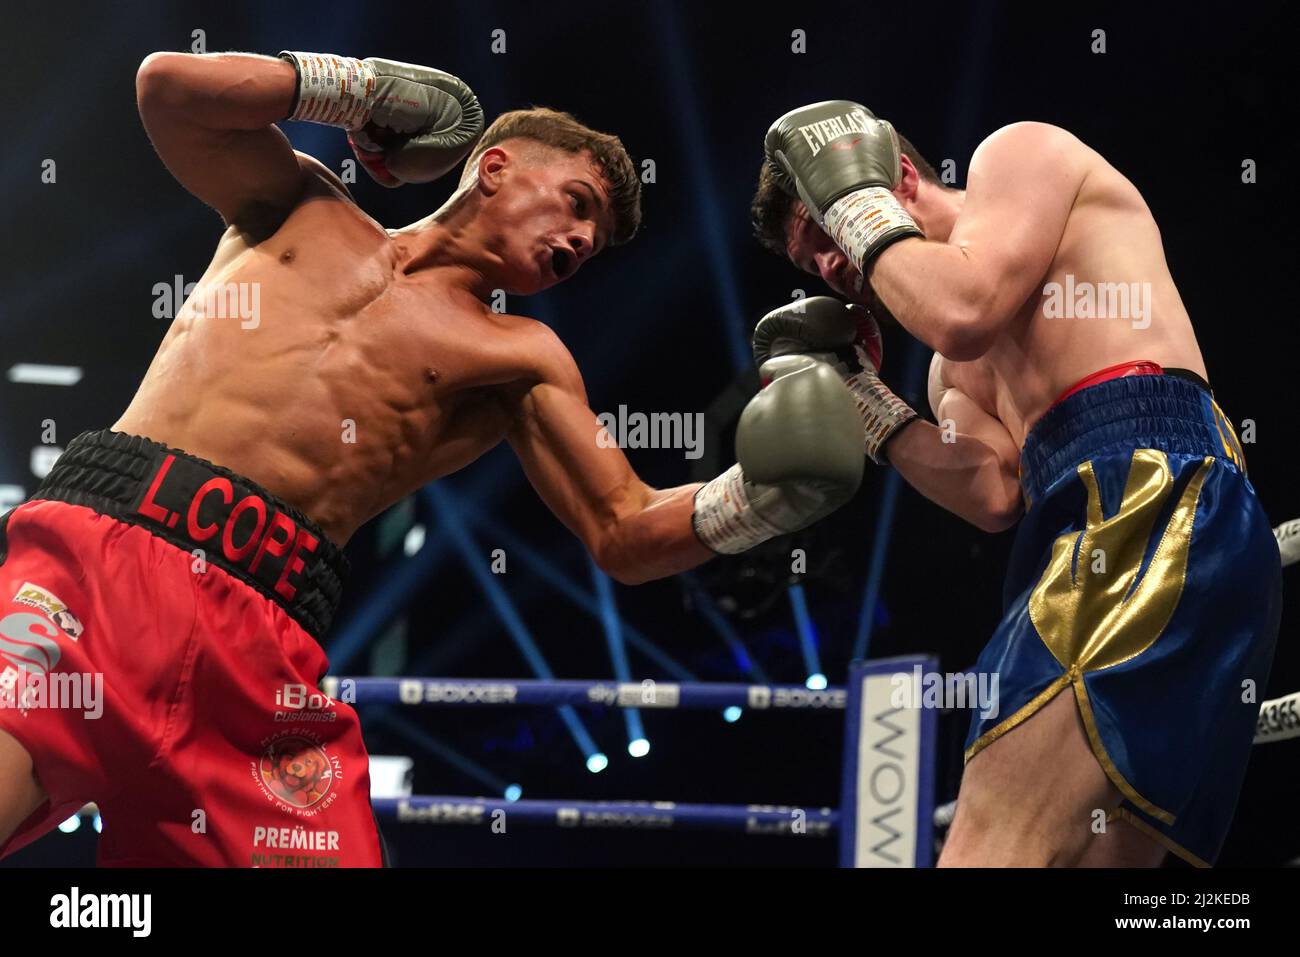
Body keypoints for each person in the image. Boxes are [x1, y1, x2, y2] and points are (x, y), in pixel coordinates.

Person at [0, 54, 863, 866]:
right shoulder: (300, 204)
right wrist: (358, 90)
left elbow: (623, 526)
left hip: (259, 638)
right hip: (97, 562)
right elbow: (172, 91)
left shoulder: (518, 357)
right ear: (494, 166)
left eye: (589, 242)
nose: (576, 239)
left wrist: (763, 499)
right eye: (574, 203)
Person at [749, 99, 1281, 866]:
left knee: (991, 847)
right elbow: (996, 495)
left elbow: (965, 306)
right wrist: (865, 403)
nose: (832, 267)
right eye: (810, 266)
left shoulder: (1019, 155)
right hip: (1100, 534)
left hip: (1153, 494)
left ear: (891, 174)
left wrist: (855, 211)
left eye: (825, 228)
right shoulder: (946, 373)